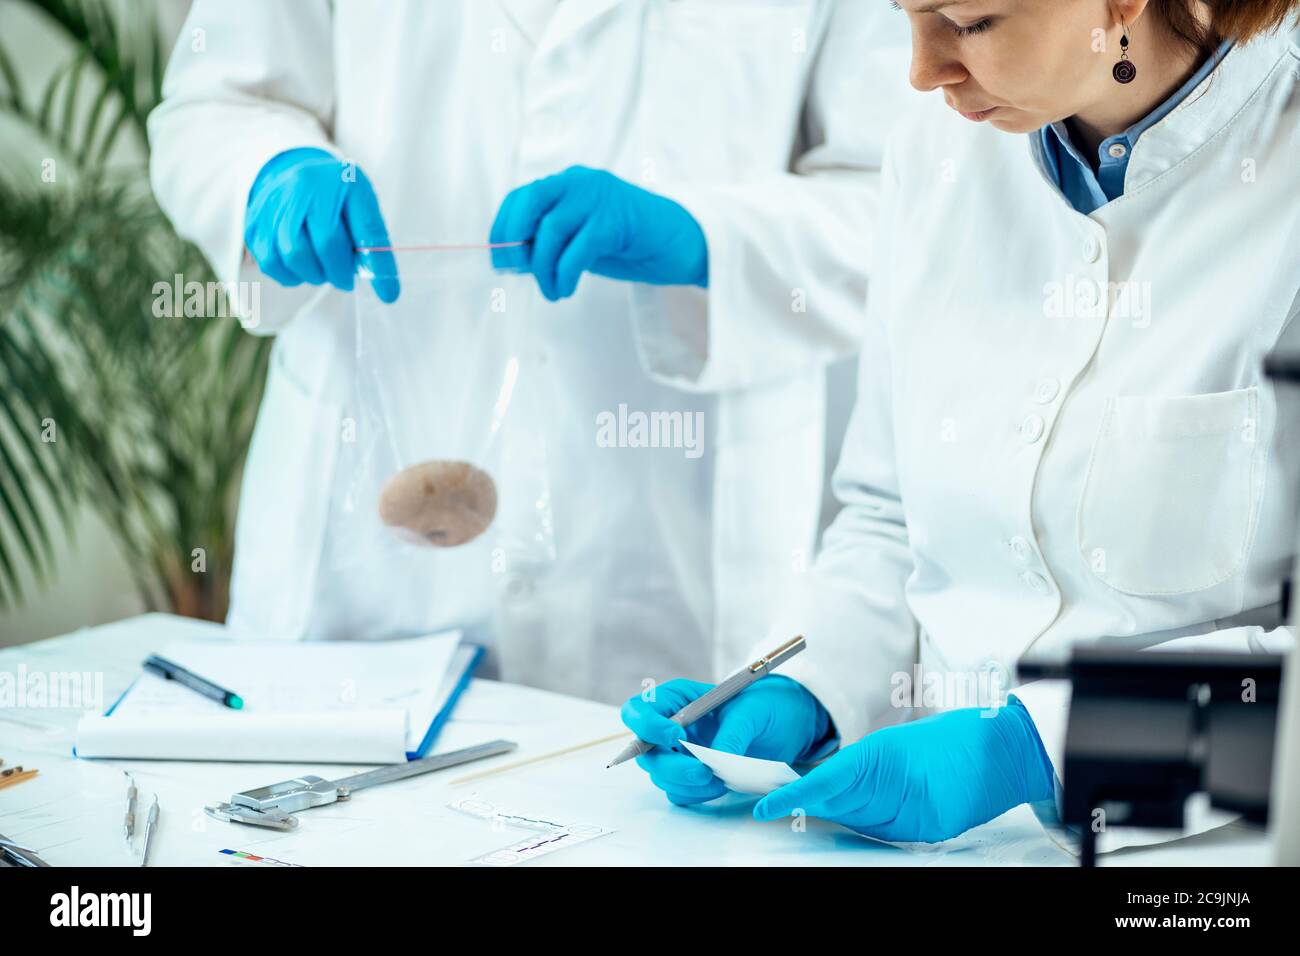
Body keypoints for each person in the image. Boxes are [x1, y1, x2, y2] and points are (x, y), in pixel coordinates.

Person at [623, 0, 1300, 852]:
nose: (920, 69)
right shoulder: (936, 148)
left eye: (970, 22)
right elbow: (888, 513)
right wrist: (814, 685)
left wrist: (1033, 752)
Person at [148, 2, 914, 702]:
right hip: (366, 558)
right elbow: (214, 103)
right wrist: (266, 173)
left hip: (664, 556)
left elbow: (902, 195)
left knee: (660, 821)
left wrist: (703, 238)